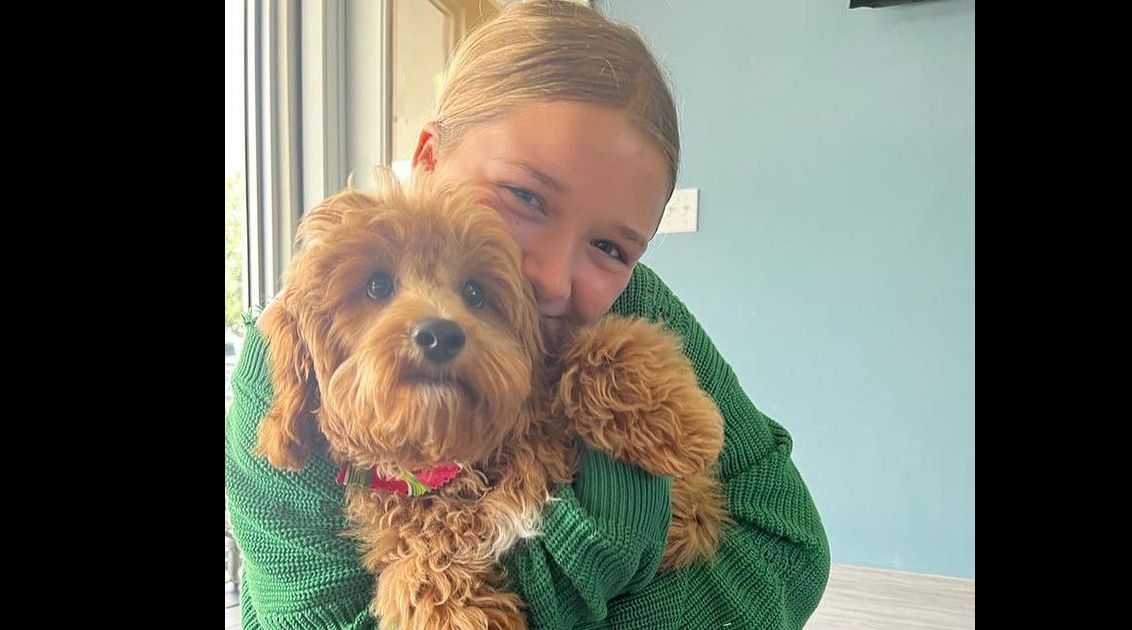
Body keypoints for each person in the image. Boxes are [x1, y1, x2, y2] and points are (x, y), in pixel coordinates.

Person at [224, 1, 829, 628]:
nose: (548, 277)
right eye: (525, 196)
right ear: (429, 157)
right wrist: (576, 576)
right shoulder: (304, 345)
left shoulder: (631, 310)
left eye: (609, 247)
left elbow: (789, 546)